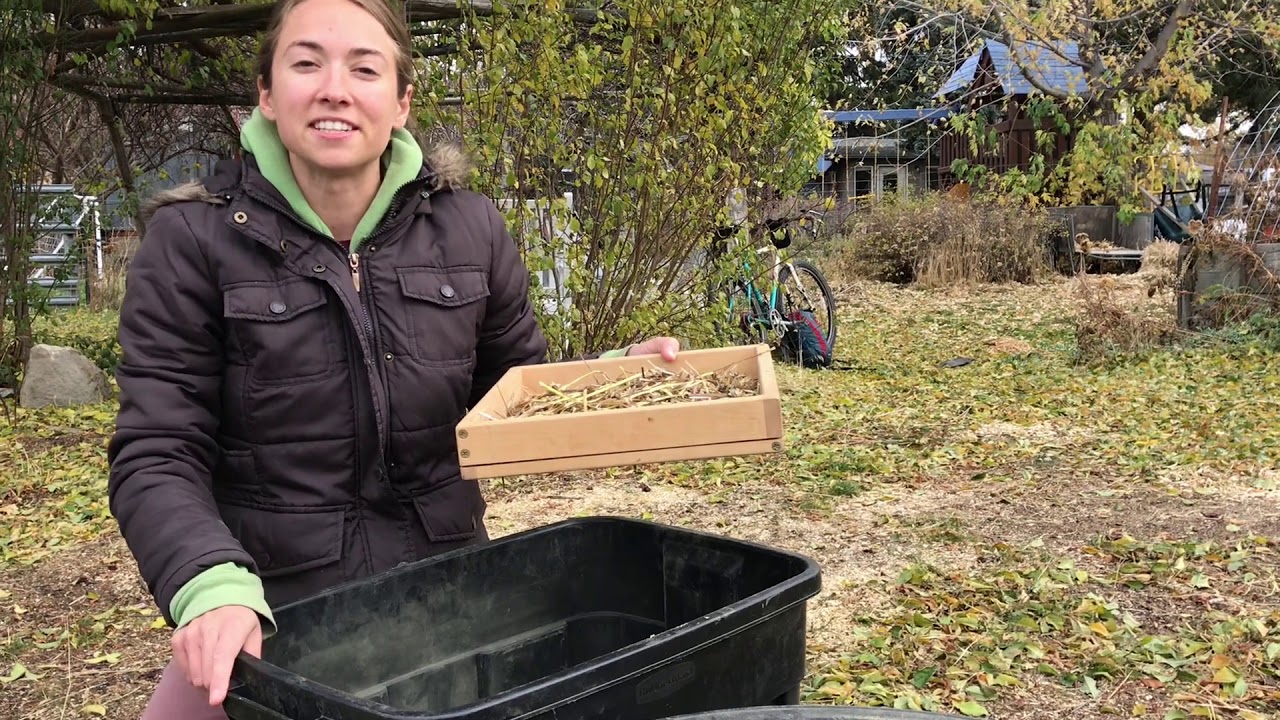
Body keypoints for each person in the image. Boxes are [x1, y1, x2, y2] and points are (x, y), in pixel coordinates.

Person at [105, 0, 680, 717]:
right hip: (278, 620)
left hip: (451, 598)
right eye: (306, 63)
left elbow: (512, 393)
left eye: (364, 68)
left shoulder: (469, 228)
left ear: (402, 101)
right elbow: (157, 450)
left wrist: (612, 379)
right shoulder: (192, 240)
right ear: (267, 94)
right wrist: (212, 587)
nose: (334, 90)